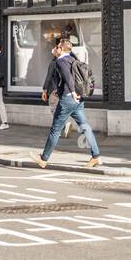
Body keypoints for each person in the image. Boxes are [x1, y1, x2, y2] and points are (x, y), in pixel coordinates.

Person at [37, 38, 101, 168]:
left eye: (58, 46)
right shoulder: (73, 59)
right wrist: (73, 94)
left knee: (55, 130)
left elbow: (67, 77)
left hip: (68, 99)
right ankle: (96, 157)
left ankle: (44, 159)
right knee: (85, 126)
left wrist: (71, 92)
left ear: (61, 48)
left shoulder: (61, 60)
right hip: (78, 99)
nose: (56, 48)